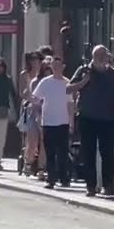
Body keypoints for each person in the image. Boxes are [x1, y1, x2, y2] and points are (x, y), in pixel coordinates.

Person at [67, 44, 114, 196]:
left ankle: (108, 185)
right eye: (98, 56)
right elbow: (68, 88)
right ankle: (91, 186)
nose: (101, 58)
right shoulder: (84, 71)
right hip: (87, 118)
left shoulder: (113, 75)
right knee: (89, 153)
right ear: (93, 57)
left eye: (103, 55)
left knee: (107, 153)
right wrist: (83, 82)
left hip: (108, 119)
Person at [30, 54, 72, 189]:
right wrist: (31, 100)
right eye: (54, 66)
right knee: (50, 152)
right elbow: (36, 98)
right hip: (48, 121)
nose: (56, 68)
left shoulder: (67, 83)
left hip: (63, 122)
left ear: (63, 67)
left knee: (63, 152)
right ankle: (51, 179)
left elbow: (70, 104)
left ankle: (64, 178)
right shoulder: (45, 82)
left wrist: (71, 122)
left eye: (59, 66)